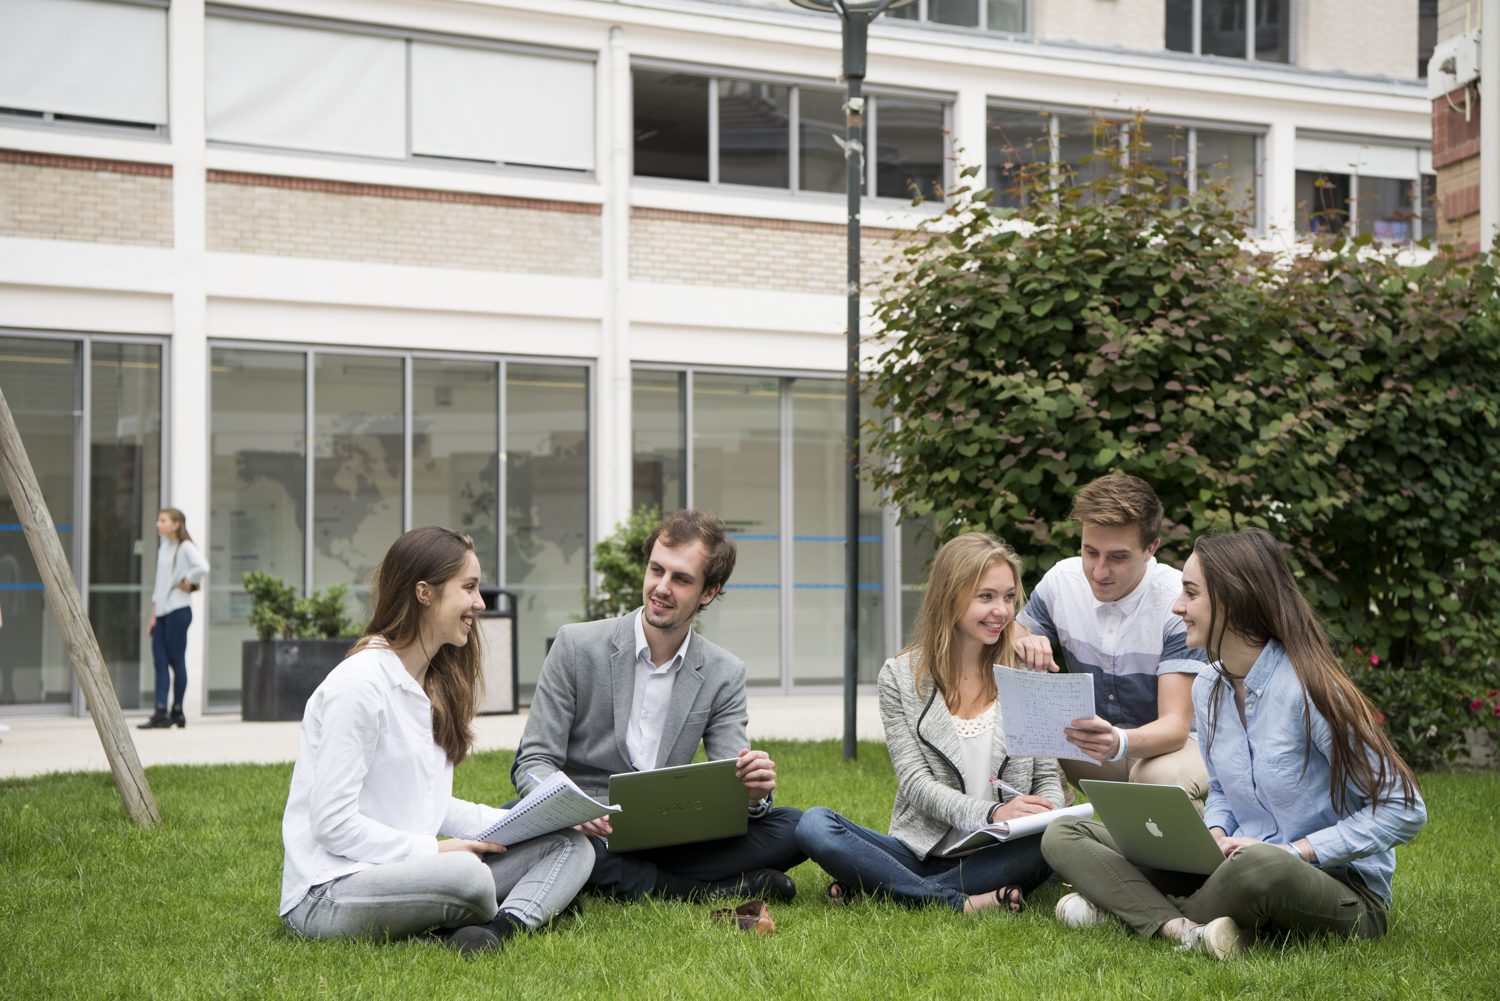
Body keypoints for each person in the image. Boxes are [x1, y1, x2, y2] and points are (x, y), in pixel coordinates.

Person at [1042, 529, 1426, 960]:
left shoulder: (1315, 693)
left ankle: (1125, 910)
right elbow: (1221, 789)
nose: (1177, 607)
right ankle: (1182, 928)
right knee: (1063, 831)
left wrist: (1292, 851)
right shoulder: (1208, 687)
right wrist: (1214, 833)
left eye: (1190, 593)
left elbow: (1404, 809)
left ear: (1232, 600)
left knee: (1262, 866)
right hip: (1229, 864)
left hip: (1333, 887)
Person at [280, 527, 593, 955]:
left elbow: (430, 805)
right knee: (467, 875)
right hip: (328, 892)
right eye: (469, 588)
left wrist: (535, 818)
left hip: (408, 871)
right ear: (424, 593)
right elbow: (331, 824)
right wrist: (433, 851)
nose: (480, 604)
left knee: (571, 845)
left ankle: (500, 928)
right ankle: (521, 902)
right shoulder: (360, 686)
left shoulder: (429, 685)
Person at [511, 508, 805, 902]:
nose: (661, 587)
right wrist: (570, 810)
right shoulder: (576, 646)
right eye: (656, 570)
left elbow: (731, 780)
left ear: (708, 592)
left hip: (669, 829)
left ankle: (621, 877)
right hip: (586, 825)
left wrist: (753, 796)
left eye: (681, 579)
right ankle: (695, 891)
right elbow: (532, 764)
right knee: (527, 826)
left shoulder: (724, 673)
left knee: (794, 828)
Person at [795, 532, 1062, 914]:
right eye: (985, 596)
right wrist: (991, 814)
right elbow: (917, 785)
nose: (1002, 611)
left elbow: (1048, 781)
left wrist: (1043, 810)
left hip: (999, 850)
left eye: (1008, 597)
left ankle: (880, 885)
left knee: (1051, 843)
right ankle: (958, 902)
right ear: (949, 598)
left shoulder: (1027, 673)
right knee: (814, 825)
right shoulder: (900, 677)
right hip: (920, 850)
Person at [1013, 474, 1210, 804]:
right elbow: (1012, 637)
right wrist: (1023, 640)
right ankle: (1044, 836)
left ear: (1151, 548)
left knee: (1156, 777)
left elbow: (1175, 727)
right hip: (1100, 748)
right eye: (1090, 552)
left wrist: (1117, 741)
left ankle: (1208, 849)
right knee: (1013, 743)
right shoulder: (1062, 581)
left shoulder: (1177, 602)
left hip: (1180, 748)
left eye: (1117, 557)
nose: (1099, 572)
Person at [139, 507, 209, 729]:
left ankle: (177, 710)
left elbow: (203, 567)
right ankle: (161, 711)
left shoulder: (185, 547)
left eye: (163, 520)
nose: (158, 524)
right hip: (162, 613)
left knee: (176, 661)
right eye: (158, 520)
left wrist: (187, 580)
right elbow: (160, 585)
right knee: (160, 661)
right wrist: (153, 615)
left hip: (179, 611)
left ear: (176, 524)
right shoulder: (164, 548)